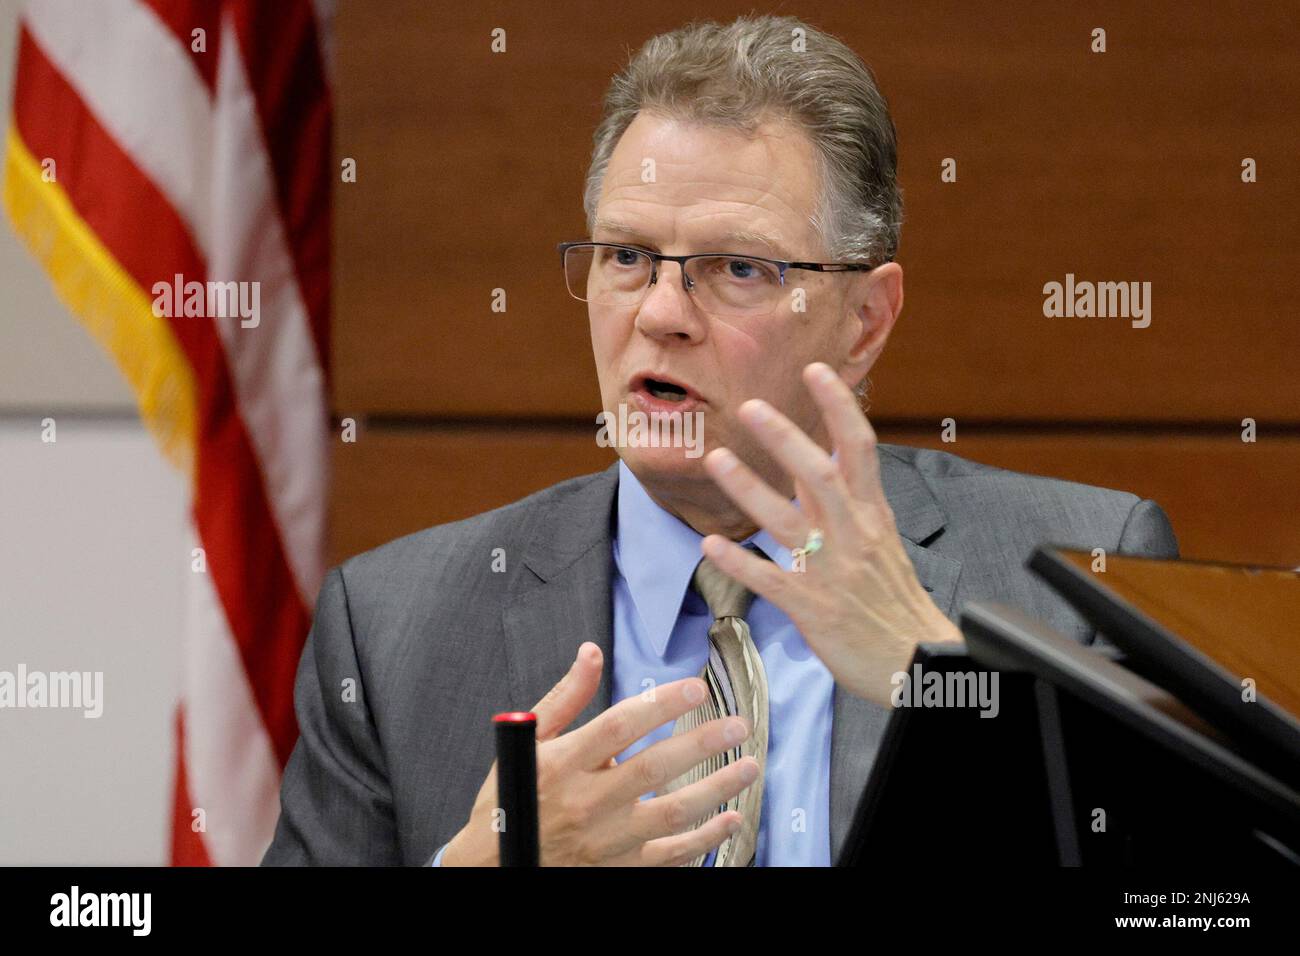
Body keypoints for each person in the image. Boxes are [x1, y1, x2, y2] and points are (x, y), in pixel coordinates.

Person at [262, 13, 1176, 867]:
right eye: (626, 257)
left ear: (864, 320)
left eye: (736, 268)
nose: (661, 314)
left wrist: (935, 679)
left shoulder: (1079, 578)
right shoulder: (392, 628)